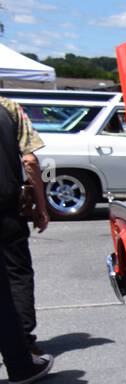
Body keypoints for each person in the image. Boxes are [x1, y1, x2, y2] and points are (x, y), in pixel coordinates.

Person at [0, 95, 48, 359]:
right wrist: (41, 206)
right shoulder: (8, 107)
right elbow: (29, 161)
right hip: (7, 209)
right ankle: (23, 344)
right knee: (16, 275)